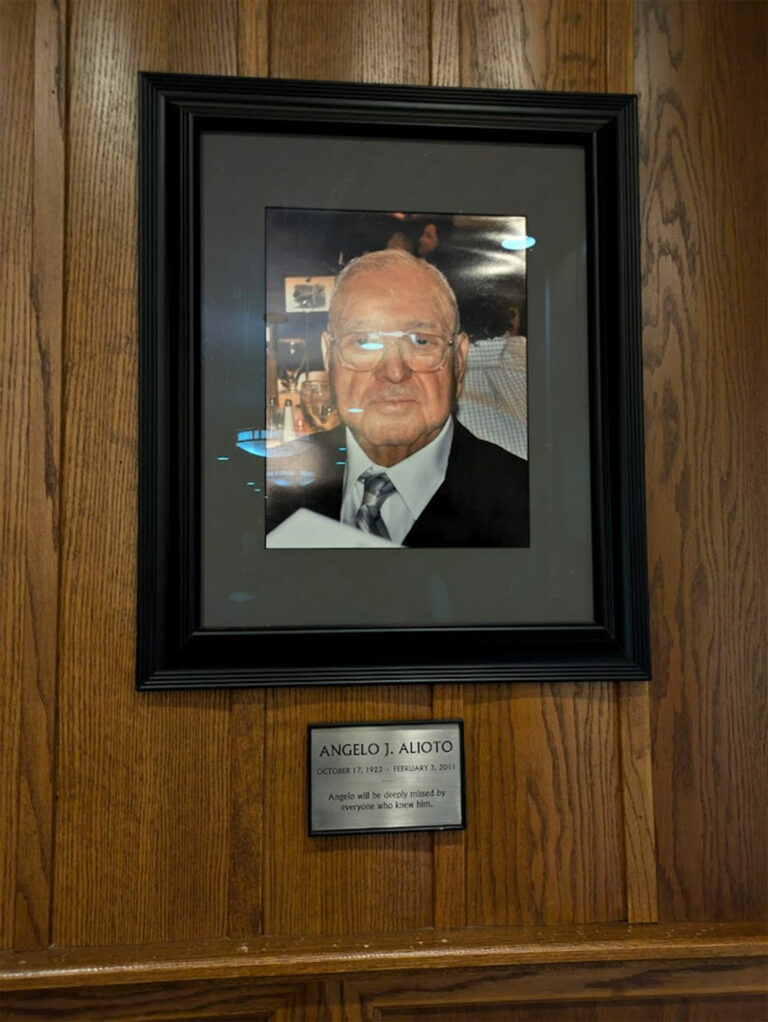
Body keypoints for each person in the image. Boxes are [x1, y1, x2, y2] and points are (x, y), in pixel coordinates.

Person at [265, 249, 529, 547]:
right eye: (363, 341)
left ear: (459, 360)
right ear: (329, 355)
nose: (393, 372)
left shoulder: (529, 501)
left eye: (421, 341)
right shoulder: (269, 488)